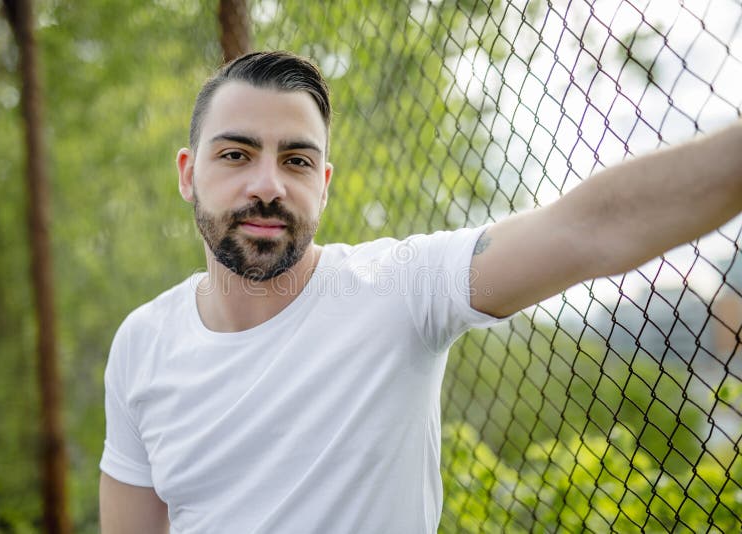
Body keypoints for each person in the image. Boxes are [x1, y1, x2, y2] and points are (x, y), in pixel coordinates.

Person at [98, 50, 742, 533]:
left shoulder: (401, 289)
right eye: (236, 154)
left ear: (323, 183)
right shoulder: (142, 343)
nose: (267, 184)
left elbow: (589, 228)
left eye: (295, 160)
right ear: (189, 174)